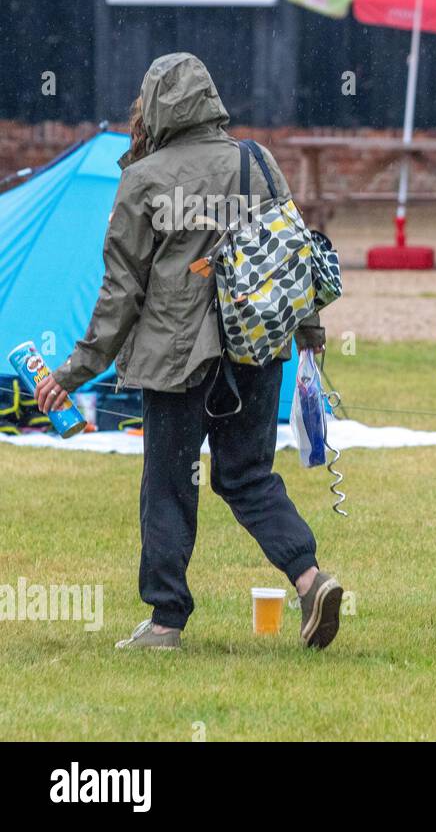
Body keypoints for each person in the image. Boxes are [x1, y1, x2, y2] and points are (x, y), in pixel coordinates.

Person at [34, 53, 343, 651]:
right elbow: (293, 257)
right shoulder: (257, 161)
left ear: (153, 106)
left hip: (177, 362)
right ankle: (310, 579)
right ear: (210, 99)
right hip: (257, 351)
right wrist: (307, 339)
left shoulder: (143, 179)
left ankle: (166, 623)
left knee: (170, 483)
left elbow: (121, 292)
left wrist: (76, 372)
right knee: (248, 476)